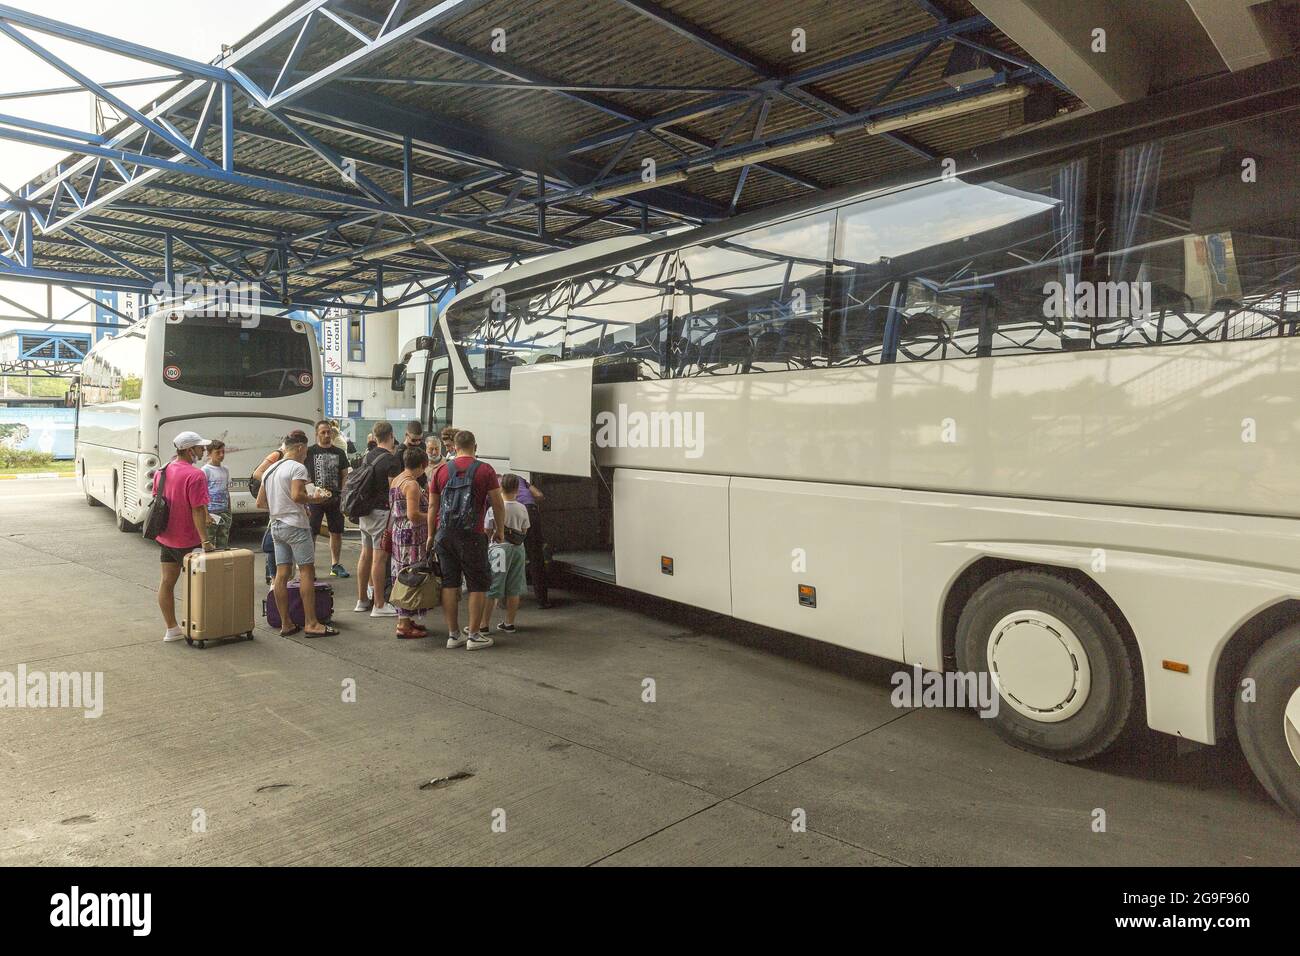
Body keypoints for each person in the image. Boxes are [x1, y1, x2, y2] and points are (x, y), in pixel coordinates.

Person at [428, 429, 505, 651]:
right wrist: (500, 529)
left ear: (454, 447)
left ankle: (453, 635)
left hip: (445, 534)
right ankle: (474, 635)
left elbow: (433, 506)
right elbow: (497, 504)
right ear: (475, 446)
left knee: (450, 583)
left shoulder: (441, 471)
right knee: (477, 584)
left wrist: (432, 535)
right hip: (472, 534)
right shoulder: (485, 470)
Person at [258, 431, 339, 638]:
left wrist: (280, 503)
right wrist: (316, 499)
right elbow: (297, 495)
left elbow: (260, 503)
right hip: (295, 525)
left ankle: (286, 623)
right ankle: (312, 623)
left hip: (276, 525)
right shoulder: (297, 467)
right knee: (306, 571)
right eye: (306, 451)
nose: (306, 455)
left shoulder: (269, 470)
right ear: (301, 447)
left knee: (281, 574)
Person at [155, 431, 215, 643]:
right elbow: (198, 510)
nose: (203, 450)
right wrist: (205, 540)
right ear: (190, 451)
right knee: (200, 586)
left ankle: (171, 629)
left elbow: (158, 498)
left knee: (167, 582)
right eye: (200, 448)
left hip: (166, 538)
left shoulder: (163, 470)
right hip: (190, 541)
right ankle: (199, 627)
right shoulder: (195, 475)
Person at [354, 420, 403, 617]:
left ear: (374, 436)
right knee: (380, 558)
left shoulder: (368, 456)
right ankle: (379, 604)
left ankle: (362, 600)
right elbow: (394, 489)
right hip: (382, 513)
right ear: (391, 435)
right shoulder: (391, 460)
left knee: (365, 555)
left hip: (364, 512)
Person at [480, 473, 530, 634]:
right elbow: (524, 530)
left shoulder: (494, 508)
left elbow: (487, 530)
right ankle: (509, 623)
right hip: (518, 549)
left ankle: (484, 625)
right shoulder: (522, 508)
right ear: (517, 489)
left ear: (500, 488)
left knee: (493, 587)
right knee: (514, 587)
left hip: (499, 550)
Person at [389, 445, 431, 639]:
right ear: (423, 465)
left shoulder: (397, 480)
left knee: (401, 573)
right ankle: (404, 624)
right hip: (411, 538)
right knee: (410, 576)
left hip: (399, 533)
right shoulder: (411, 484)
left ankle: (403, 619)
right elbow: (413, 515)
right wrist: (432, 515)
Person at [306, 420, 351, 578]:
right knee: (312, 532)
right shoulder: (310, 451)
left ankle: (335, 565)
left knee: (336, 532)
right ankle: (308, 566)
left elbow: (345, 474)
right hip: (315, 499)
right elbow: (302, 473)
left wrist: (344, 493)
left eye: (328, 432)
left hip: (335, 498)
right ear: (317, 434)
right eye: (323, 432)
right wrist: (309, 492)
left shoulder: (339, 452)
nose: (326, 435)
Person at [511, 473, 552, 609]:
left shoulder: (494, 482)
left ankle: (507, 599)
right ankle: (543, 600)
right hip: (530, 511)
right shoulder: (520, 479)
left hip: (511, 512)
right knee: (536, 556)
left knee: (508, 555)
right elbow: (540, 495)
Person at [202, 440, 232, 551]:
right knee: (210, 540)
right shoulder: (205, 470)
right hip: (211, 512)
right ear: (209, 454)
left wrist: (229, 510)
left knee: (223, 541)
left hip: (224, 511)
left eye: (223, 452)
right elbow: (202, 494)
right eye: (218, 452)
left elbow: (226, 490)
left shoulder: (225, 470)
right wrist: (206, 514)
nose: (221, 455)